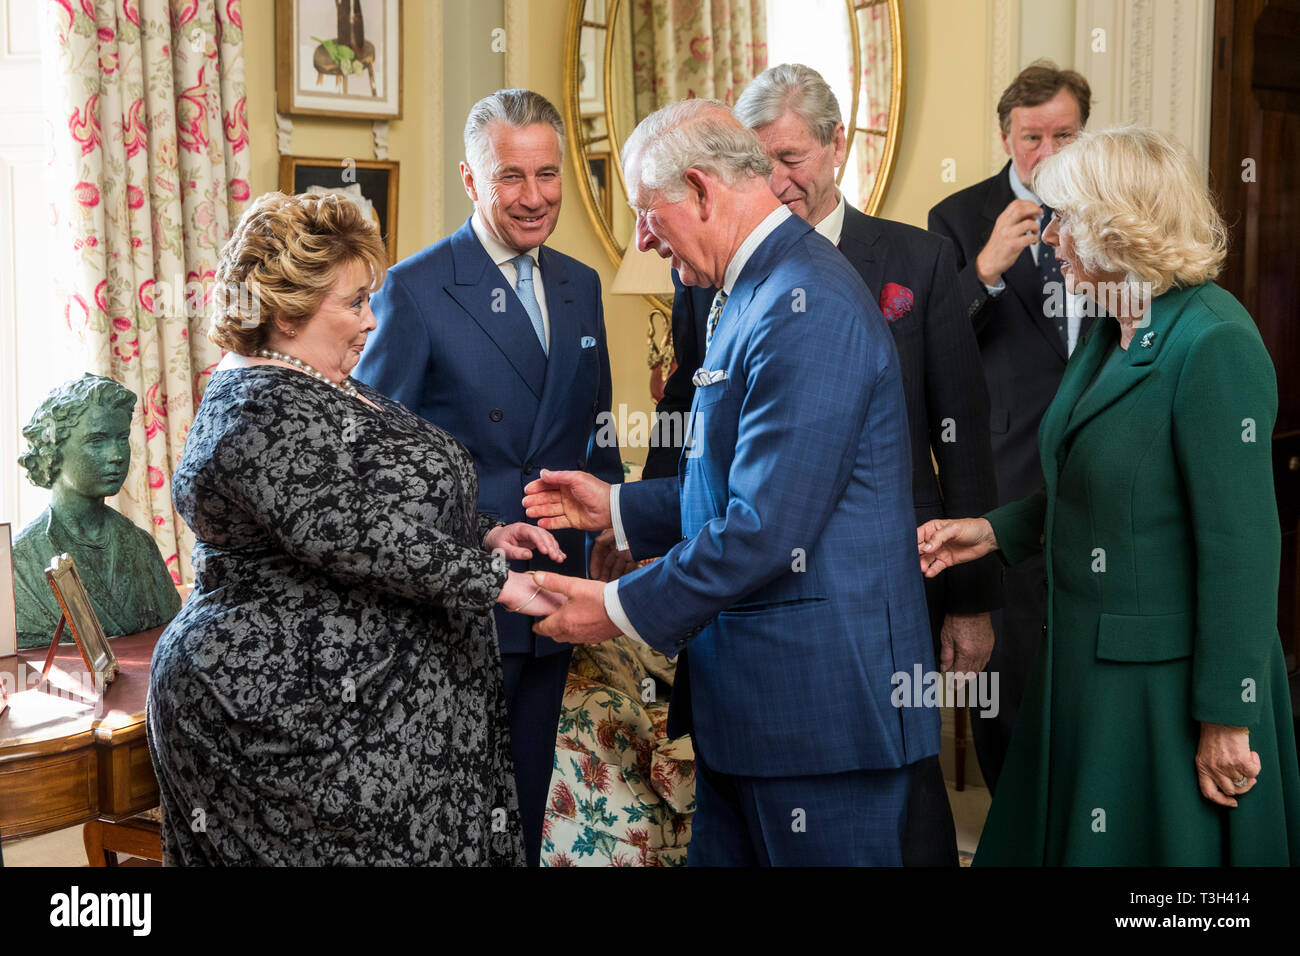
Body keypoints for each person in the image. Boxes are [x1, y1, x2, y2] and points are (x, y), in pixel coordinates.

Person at [522, 100, 938, 866]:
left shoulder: (803, 303)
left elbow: (767, 528)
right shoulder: (752, 288)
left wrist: (612, 607)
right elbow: (743, 484)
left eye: (649, 215)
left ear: (703, 191)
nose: (643, 239)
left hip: (819, 716)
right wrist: (615, 507)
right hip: (751, 713)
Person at [147, 192, 566, 865]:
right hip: (289, 725)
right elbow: (345, 529)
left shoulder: (317, 379)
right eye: (353, 304)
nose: (371, 322)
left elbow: (384, 496)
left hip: (378, 719)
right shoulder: (253, 407)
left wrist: (481, 531)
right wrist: (496, 584)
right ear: (286, 313)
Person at [918, 127, 1300, 865]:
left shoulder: (1214, 342)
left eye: (1066, 219)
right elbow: (1092, 485)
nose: (1051, 237)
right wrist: (993, 532)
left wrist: (1227, 716)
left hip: (1165, 693)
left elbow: (1243, 551)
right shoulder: (1111, 326)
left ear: (1118, 226)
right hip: (1083, 677)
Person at [730, 62, 1000, 866]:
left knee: (904, 788)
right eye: (756, 162)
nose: (775, 181)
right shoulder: (720, 266)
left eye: (790, 158)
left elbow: (962, 435)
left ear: (836, 146)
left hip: (896, 578)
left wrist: (971, 602)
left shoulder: (917, 261)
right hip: (761, 579)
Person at [350, 89, 623, 867]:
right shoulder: (414, 288)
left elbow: (594, 425)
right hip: (463, 596)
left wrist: (610, 528)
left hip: (558, 583)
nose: (534, 197)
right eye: (511, 177)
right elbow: (379, 461)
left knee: (527, 802)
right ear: (471, 180)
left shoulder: (581, 283)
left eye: (547, 174)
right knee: (455, 816)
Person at [926, 59, 1095, 794]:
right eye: (1032, 137)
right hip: (1004, 489)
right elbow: (934, 350)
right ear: (1005, 136)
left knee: (1091, 699)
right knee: (1012, 696)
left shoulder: (1110, 208)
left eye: (1065, 134)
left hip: (1097, 486)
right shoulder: (957, 219)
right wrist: (987, 270)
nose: (1049, 152)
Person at [13, 374, 181, 647]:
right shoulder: (19, 560)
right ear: (52, 451)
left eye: (122, 437)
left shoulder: (140, 545)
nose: (116, 454)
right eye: (97, 440)